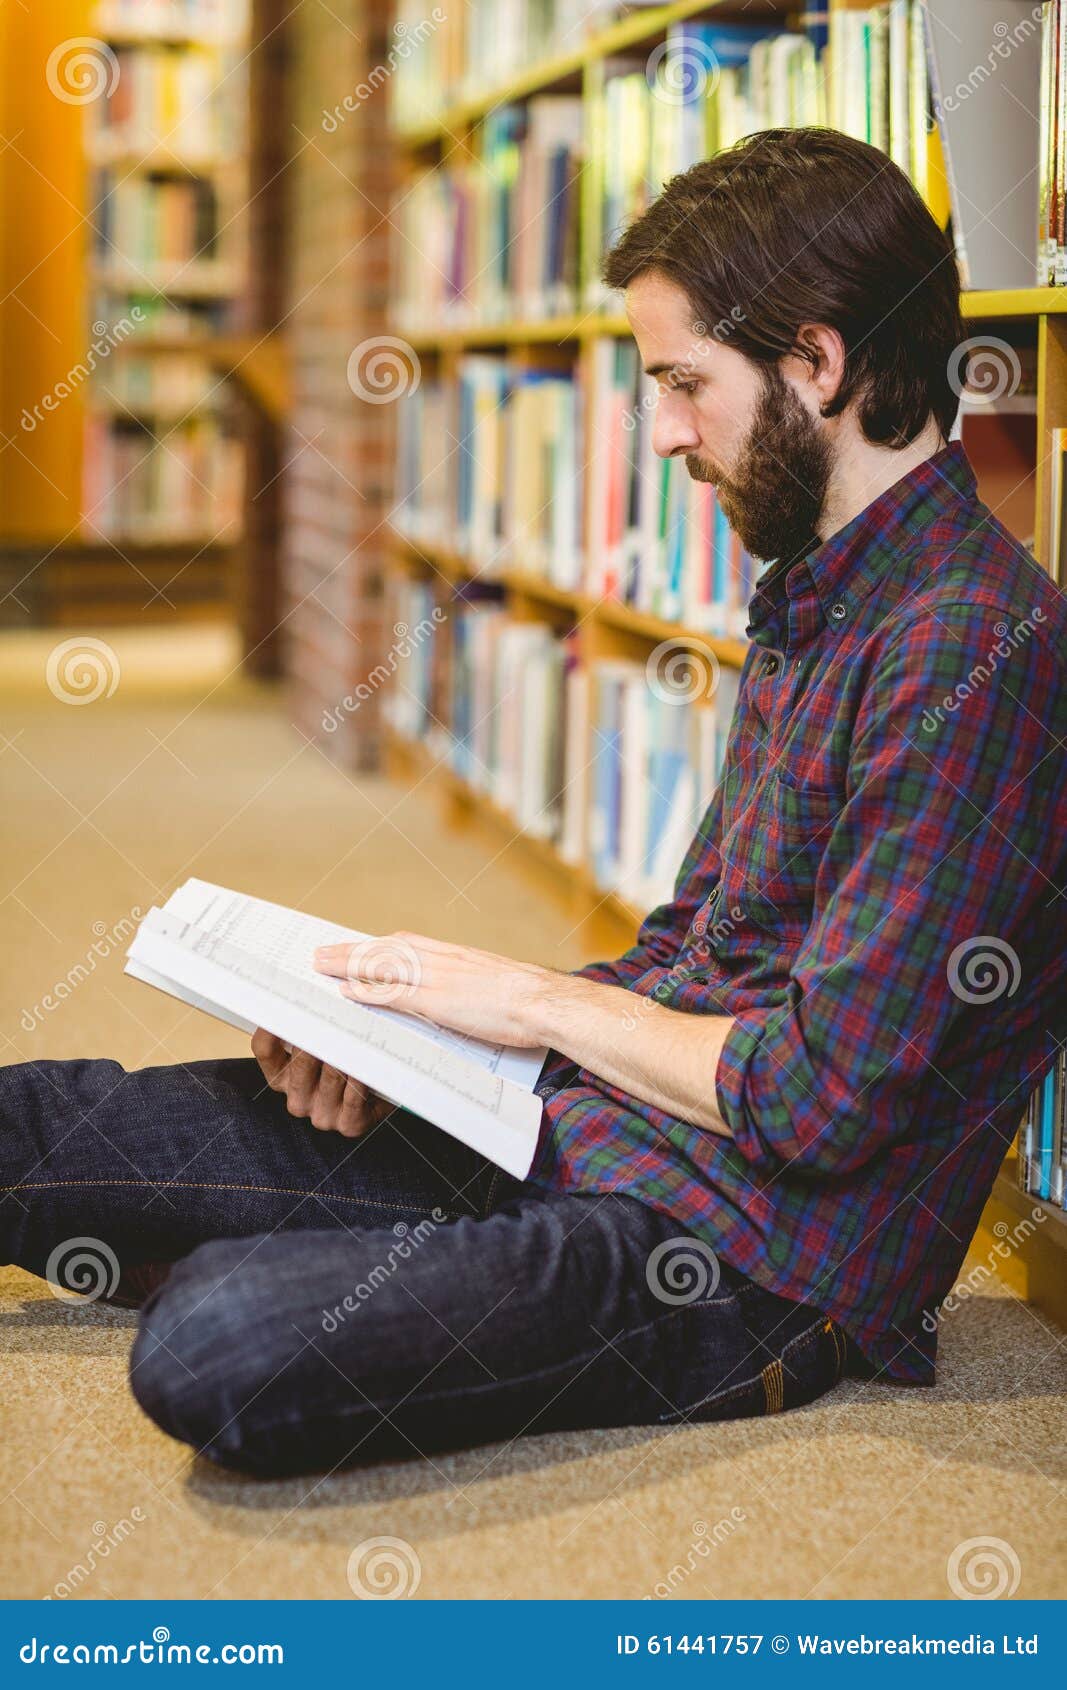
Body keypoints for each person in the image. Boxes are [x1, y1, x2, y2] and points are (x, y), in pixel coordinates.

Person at [4, 129, 1066, 1478]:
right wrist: (431, 1050)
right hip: (581, 1124)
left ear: (818, 363)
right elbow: (691, 946)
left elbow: (822, 1102)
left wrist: (529, 1005)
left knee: (214, 1341)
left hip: (744, 1260)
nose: (664, 431)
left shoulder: (975, 654)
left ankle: (320, 1247)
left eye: (685, 383)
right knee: (51, 1123)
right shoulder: (817, 590)